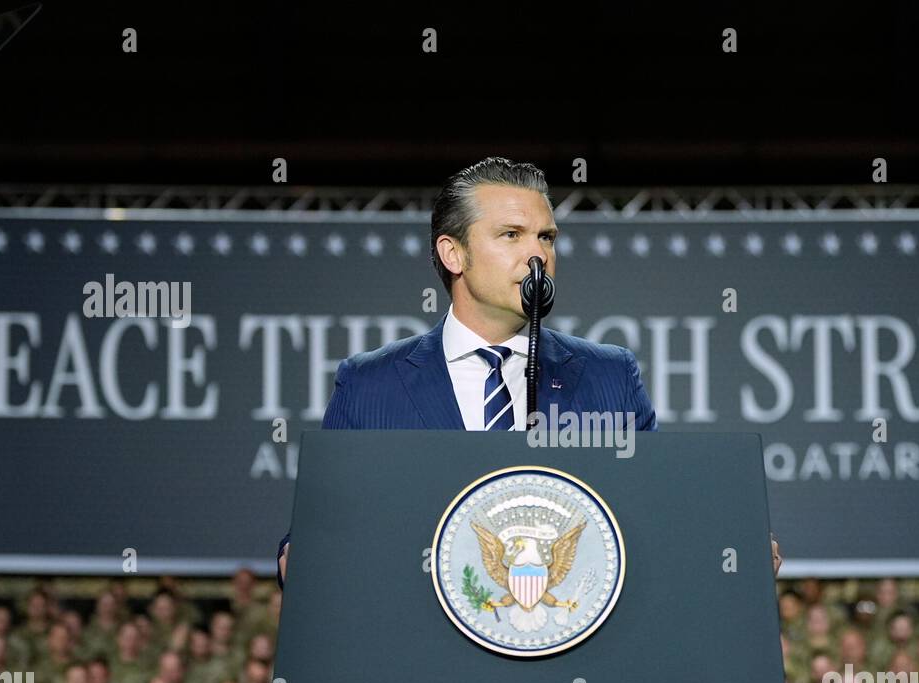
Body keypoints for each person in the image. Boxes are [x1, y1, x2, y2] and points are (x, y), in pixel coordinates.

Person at [275, 156, 785, 587]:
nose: (537, 253)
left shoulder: (608, 375)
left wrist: (729, 545)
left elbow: (656, 513)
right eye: (511, 235)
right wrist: (298, 557)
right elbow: (319, 531)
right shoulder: (370, 383)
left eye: (546, 236)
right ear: (453, 253)